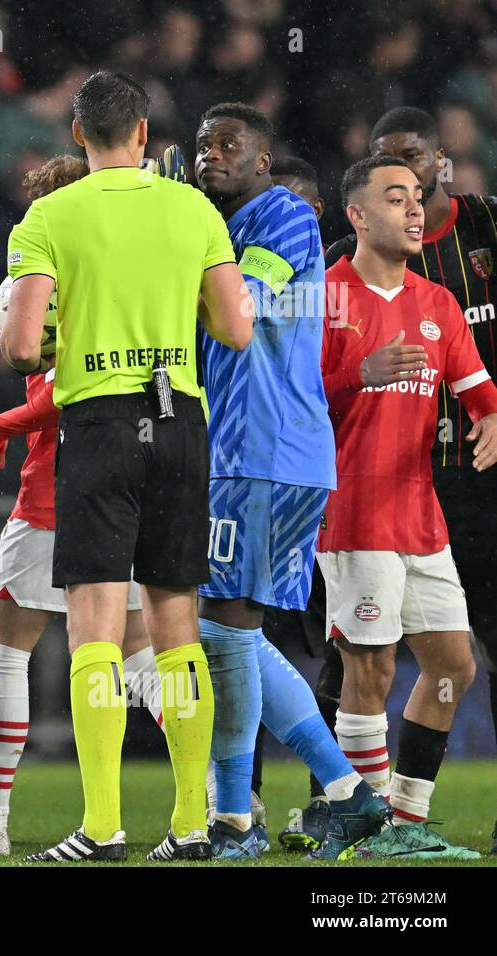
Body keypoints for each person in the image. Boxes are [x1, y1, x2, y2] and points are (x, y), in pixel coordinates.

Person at [0, 70, 253, 863]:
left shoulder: (48, 215)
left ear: (79, 135)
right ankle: (188, 826)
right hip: (182, 423)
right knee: (176, 630)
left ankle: (103, 826)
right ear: (144, 134)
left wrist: (65, 333)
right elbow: (237, 330)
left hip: (100, 425)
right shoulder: (192, 208)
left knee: (96, 634)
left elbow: (17, 346)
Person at [0, 154, 154, 858]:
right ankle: (227, 805)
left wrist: (5, 419)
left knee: (3, 651)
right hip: (131, 485)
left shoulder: (47, 264)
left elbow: (60, 381)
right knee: (139, 657)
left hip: (57, 492)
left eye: (42, 200)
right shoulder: (129, 270)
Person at [191, 103, 389, 860]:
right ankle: (341, 793)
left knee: (222, 634)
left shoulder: (281, 217)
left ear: (262, 162)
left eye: (230, 144)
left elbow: (241, 309)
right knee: (229, 632)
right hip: (261, 454)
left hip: (262, 450)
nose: (214, 154)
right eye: (206, 144)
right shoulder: (222, 225)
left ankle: (239, 819)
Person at [325, 107, 497, 852]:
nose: (413, 207)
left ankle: (405, 821)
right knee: (369, 669)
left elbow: (477, 384)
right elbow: (288, 403)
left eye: (416, 197)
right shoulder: (323, 297)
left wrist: (491, 415)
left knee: (454, 665)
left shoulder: (437, 303)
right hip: (355, 508)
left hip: (421, 510)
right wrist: (353, 375)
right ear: (358, 215)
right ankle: (364, 828)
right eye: (394, 198)